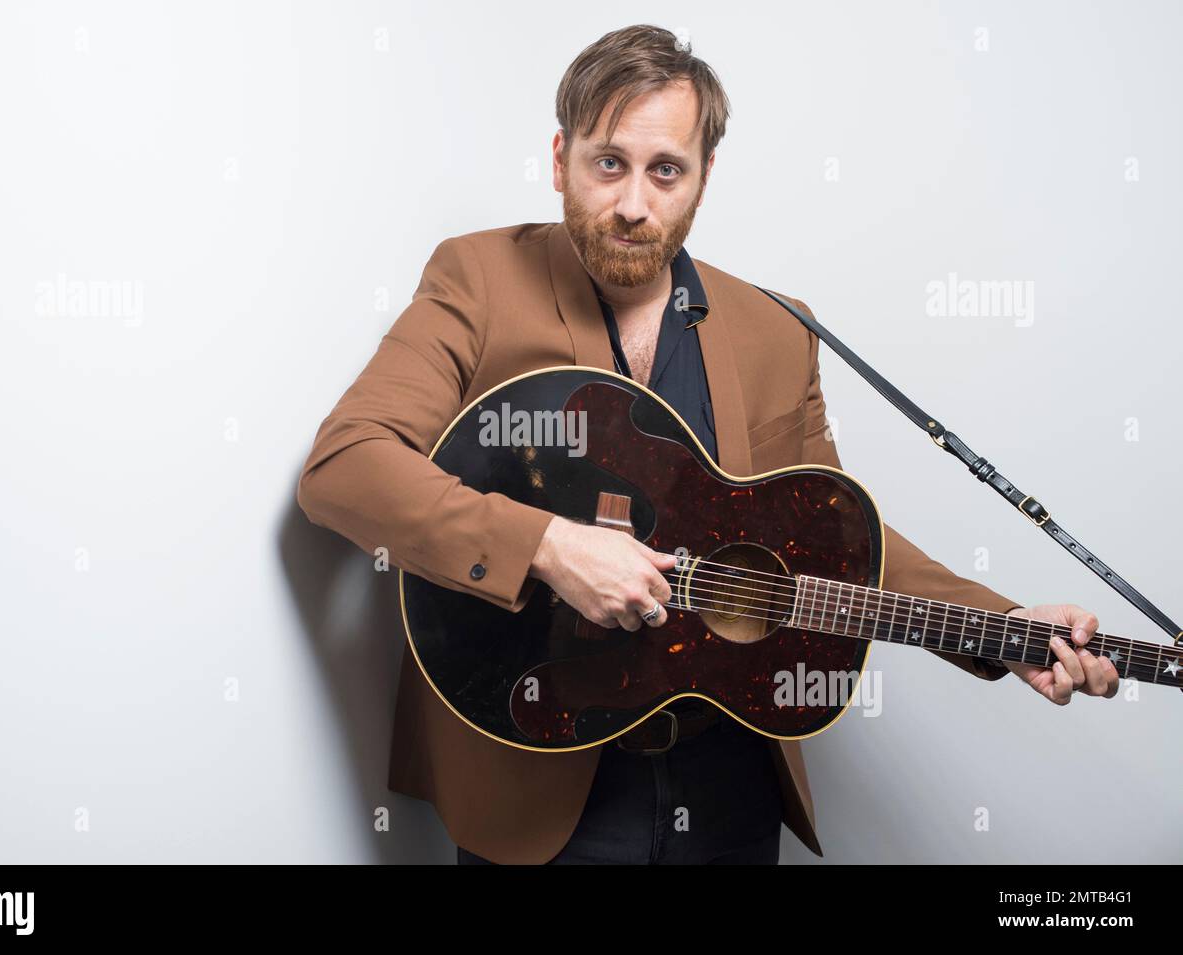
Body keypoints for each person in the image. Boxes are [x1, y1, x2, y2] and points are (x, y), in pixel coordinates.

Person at [296, 24, 1117, 866]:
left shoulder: (775, 327)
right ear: (558, 157)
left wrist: (1004, 625)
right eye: (607, 162)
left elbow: (839, 541)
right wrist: (545, 545)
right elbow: (345, 466)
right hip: (543, 780)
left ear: (703, 178)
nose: (632, 203)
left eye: (665, 171)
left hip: (732, 783)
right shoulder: (477, 278)